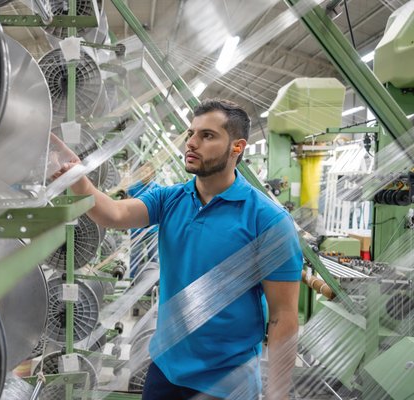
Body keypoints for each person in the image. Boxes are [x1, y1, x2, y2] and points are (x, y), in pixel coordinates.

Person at [52, 99, 303, 400]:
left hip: (225, 383)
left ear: (237, 148)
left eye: (207, 136)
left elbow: (282, 316)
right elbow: (114, 214)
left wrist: (278, 395)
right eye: (191, 134)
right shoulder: (170, 200)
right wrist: (80, 181)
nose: (192, 143)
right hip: (165, 369)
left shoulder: (267, 220)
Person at [127, 161, 160, 278]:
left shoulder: (157, 188)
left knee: (154, 257)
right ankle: (132, 280)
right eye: (143, 171)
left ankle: (153, 282)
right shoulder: (133, 188)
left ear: (152, 173)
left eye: (148, 171)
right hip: (137, 230)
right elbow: (127, 204)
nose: (145, 173)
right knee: (135, 256)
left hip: (153, 230)